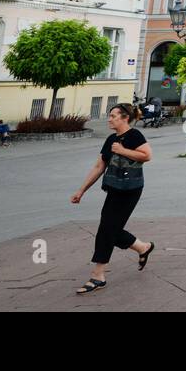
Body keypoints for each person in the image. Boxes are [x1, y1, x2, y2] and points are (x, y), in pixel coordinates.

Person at [71, 102, 154, 293]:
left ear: (125, 118)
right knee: (110, 229)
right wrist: (81, 190)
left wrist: (122, 150)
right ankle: (143, 247)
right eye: (109, 116)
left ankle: (98, 275)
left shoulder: (134, 135)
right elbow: (99, 167)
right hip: (114, 188)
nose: (109, 119)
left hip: (130, 190)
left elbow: (147, 155)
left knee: (107, 230)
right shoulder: (110, 139)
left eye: (113, 116)